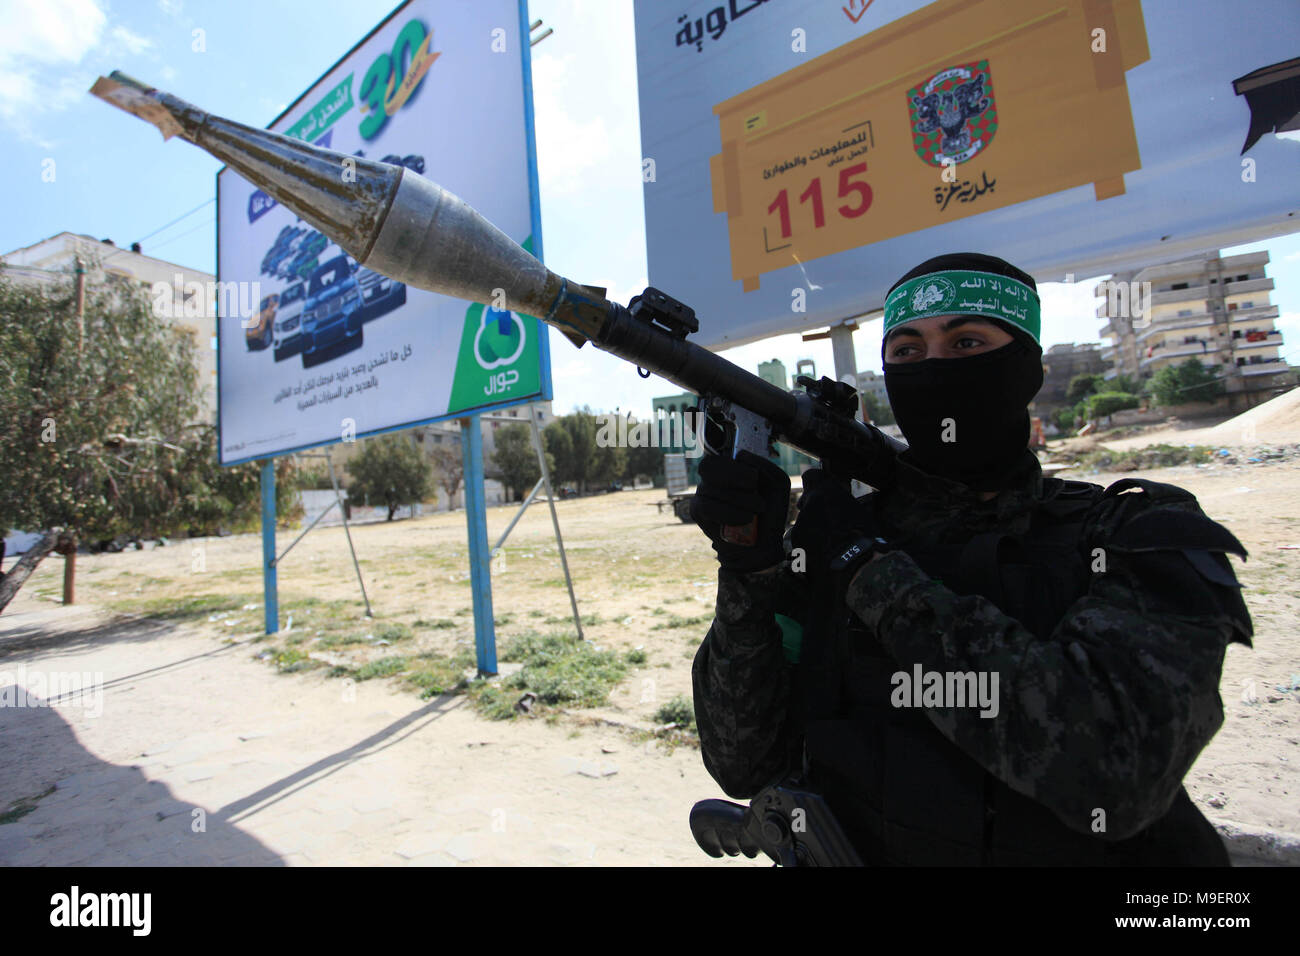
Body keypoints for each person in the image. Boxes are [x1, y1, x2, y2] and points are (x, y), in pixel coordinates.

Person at [689, 252, 1253, 866]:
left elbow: (1114, 778)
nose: (932, 368)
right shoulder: (834, 538)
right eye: (906, 351)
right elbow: (742, 759)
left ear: (1027, 369)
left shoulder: (1134, 532)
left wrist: (866, 568)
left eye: (966, 342)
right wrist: (751, 566)